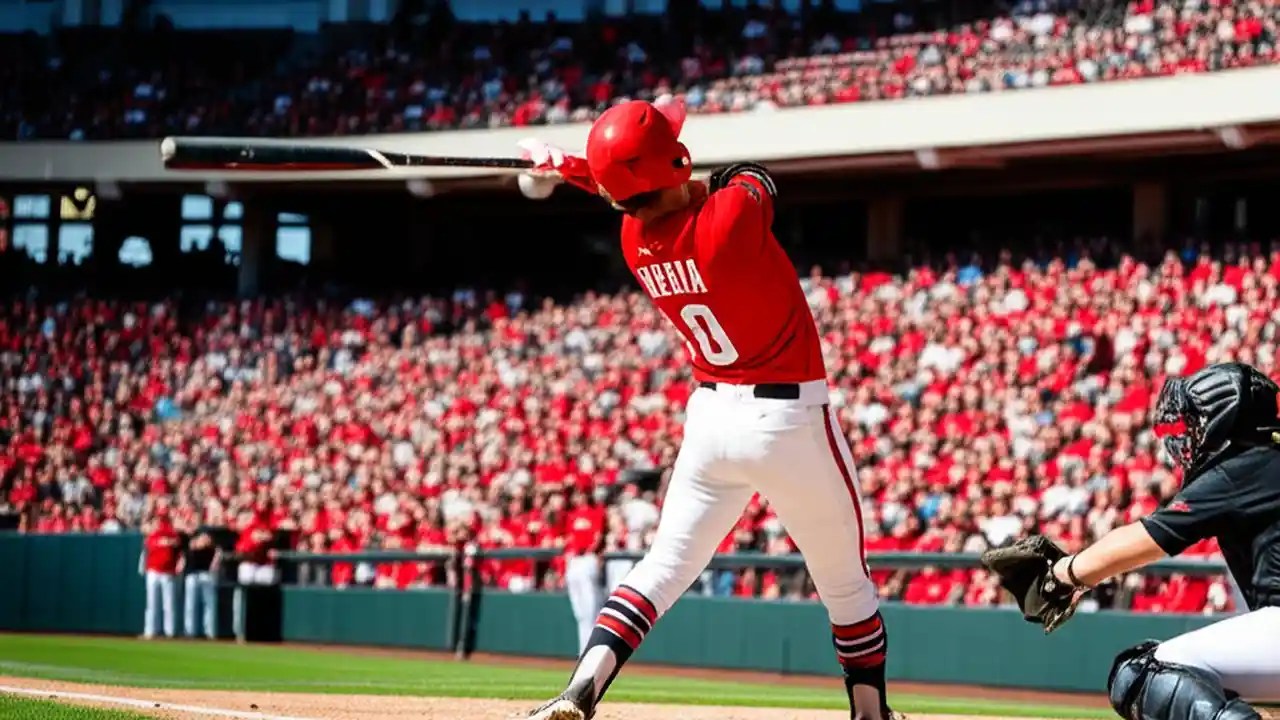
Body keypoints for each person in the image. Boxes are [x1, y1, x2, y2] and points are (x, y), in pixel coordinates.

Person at [519, 97, 890, 720]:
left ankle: (582, 686)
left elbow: (640, 189)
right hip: (788, 421)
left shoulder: (633, 236)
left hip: (711, 422)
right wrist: (581, 168)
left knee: (661, 567)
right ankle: (871, 714)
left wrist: (576, 167)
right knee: (846, 582)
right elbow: (746, 174)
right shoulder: (730, 217)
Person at [982, 362, 1280, 720]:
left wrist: (1062, 575)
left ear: (1224, 418)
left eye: (1196, 423)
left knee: (1141, 674)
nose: (1187, 438)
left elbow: (1147, 538)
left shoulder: (1246, 465)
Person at [563, 489, 606, 654]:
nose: (579, 496)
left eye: (582, 493)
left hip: (588, 558)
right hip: (574, 561)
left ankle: (591, 651)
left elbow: (598, 537)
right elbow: (568, 538)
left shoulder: (597, 512)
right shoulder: (572, 515)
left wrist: (588, 549)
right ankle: (584, 651)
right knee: (580, 612)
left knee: (591, 610)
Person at [141, 508, 180, 639]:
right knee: (152, 603)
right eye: (158, 519)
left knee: (168, 604)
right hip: (153, 571)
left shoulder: (171, 533)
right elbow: (149, 545)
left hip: (167, 572)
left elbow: (176, 543)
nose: (159, 521)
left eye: (162, 519)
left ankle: (170, 632)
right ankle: (150, 631)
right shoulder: (152, 535)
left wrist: (166, 541)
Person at [179, 526, 219, 640]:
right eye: (202, 537)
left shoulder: (213, 549)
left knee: (209, 605)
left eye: (207, 537)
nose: (205, 539)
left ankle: (210, 632)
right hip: (193, 575)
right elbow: (187, 561)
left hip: (207, 575)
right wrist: (193, 547)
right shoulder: (191, 548)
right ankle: (190, 632)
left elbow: (214, 564)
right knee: (190, 605)